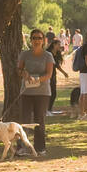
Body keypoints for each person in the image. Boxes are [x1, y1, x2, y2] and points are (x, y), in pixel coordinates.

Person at [18, 29, 54, 157]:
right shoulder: (25, 54)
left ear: (43, 40)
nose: (37, 40)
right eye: (34, 38)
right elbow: (19, 69)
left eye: (39, 38)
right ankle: (23, 147)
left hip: (42, 92)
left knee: (39, 120)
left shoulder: (48, 56)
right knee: (25, 120)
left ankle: (40, 148)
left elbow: (49, 74)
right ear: (31, 40)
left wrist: (37, 79)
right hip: (26, 92)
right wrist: (24, 74)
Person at [47, 37, 69, 115]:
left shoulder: (57, 54)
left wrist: (64, 73)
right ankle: (46, 110)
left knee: (54, 92)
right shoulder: (48, 53)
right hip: (47, 75)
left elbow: (57, 66)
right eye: (58, 44)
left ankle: (49, 109)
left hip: (53, 75)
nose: (60, 46)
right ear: (54, 45)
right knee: (48, 92)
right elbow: (53, 65)